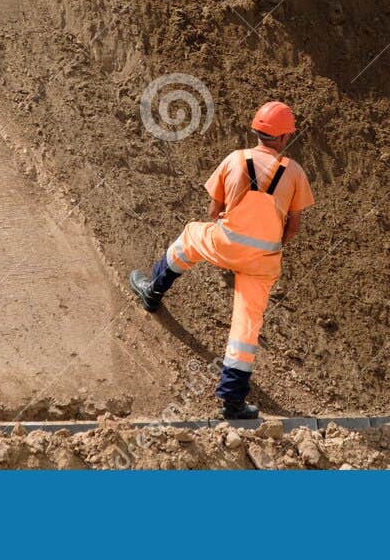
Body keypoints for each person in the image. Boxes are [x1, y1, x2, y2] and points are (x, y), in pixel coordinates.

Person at [129, 100, 314, 419]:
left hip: (225, 243)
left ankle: (153, 291)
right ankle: (232, 401)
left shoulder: (234, 160)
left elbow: (214, 211)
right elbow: (293, 227)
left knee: (190, 237)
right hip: (264, 260)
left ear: (256, 131)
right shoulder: (294, 172)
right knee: (246, 324)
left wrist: (226, 234)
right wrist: (272, 244)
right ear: (284, 138)